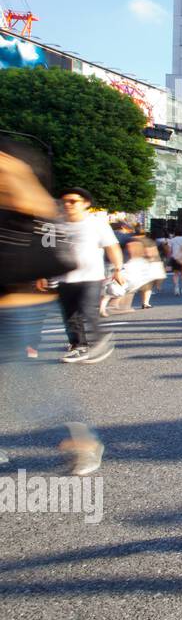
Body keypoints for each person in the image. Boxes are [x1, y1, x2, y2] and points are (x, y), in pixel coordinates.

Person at [0, 147, 105, 475]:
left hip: (17, 302)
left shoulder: (13, 165)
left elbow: (41, 211)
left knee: (25, 382)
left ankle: (80, 439)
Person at [47, 187, 122, 365]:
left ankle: (100, 339)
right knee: (70, 315)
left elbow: (112, 247)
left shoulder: (97, 223)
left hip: (91, 276)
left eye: (73, 201)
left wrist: (118, 268)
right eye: (64, 201)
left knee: (87, 309)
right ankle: (78, 346)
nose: (68, 205)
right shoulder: (54, 224)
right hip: (64, 278)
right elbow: (47, 251)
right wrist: (43, 274)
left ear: (85, 204)